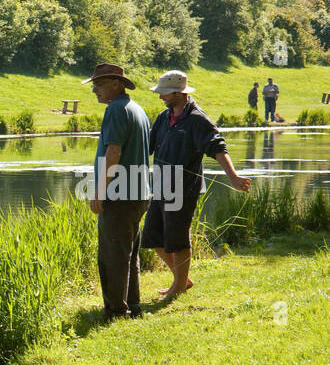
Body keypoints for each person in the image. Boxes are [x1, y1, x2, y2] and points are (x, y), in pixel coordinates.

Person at [144, 71, 251, 299]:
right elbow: (147, 147)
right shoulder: (163, 117)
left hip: (183, 188)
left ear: (178, 93)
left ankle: (178, 286)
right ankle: (182, 279)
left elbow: (218, 147)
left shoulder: (197, 119)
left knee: (177, 238)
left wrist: (233, 177)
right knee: (152, 235)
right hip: (161, 185)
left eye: (164, 93)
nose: (160, 97)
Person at [83, 63, 151, 321]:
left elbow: (113, 152)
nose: (94, 90)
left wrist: (99, 192)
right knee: (128, 254)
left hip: (120, 194)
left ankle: (115, 311)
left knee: (112, 256)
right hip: (139, 193)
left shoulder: (115, 110)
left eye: (98, 85)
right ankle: (132, 306)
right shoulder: (137, 109)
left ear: (115, 84)